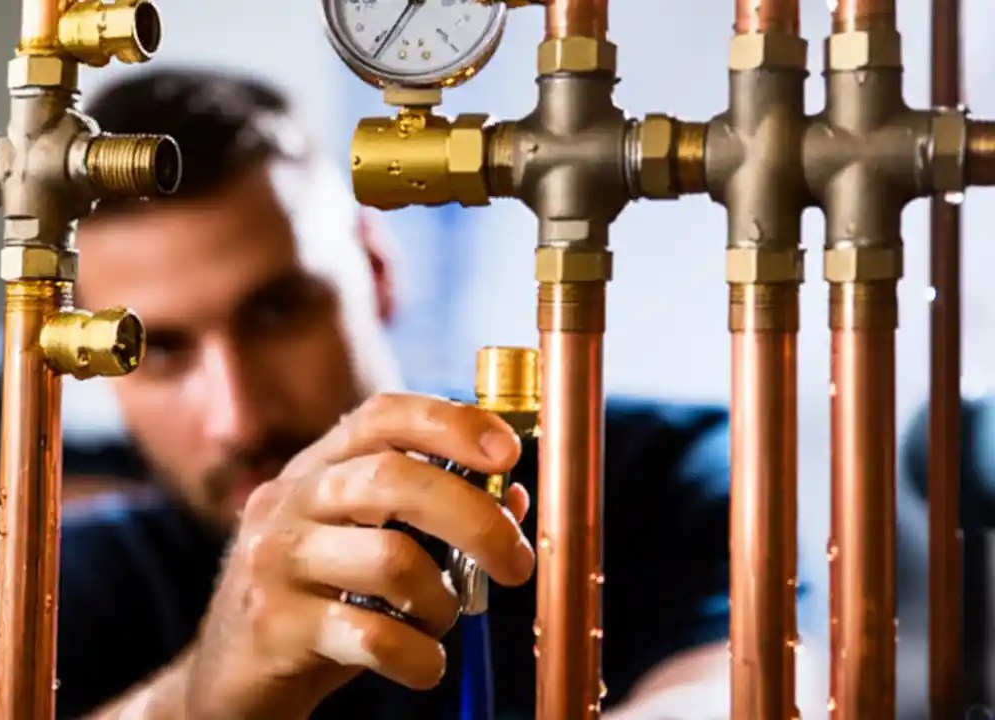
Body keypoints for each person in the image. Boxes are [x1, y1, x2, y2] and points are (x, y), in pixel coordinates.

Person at [55, 68, 815, 719]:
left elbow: (743, 693)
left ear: (378, 271)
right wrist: (200, 697)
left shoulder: (661, 476)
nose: (238, 417)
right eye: (161, 351)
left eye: (278, 312)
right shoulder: (84, 584)